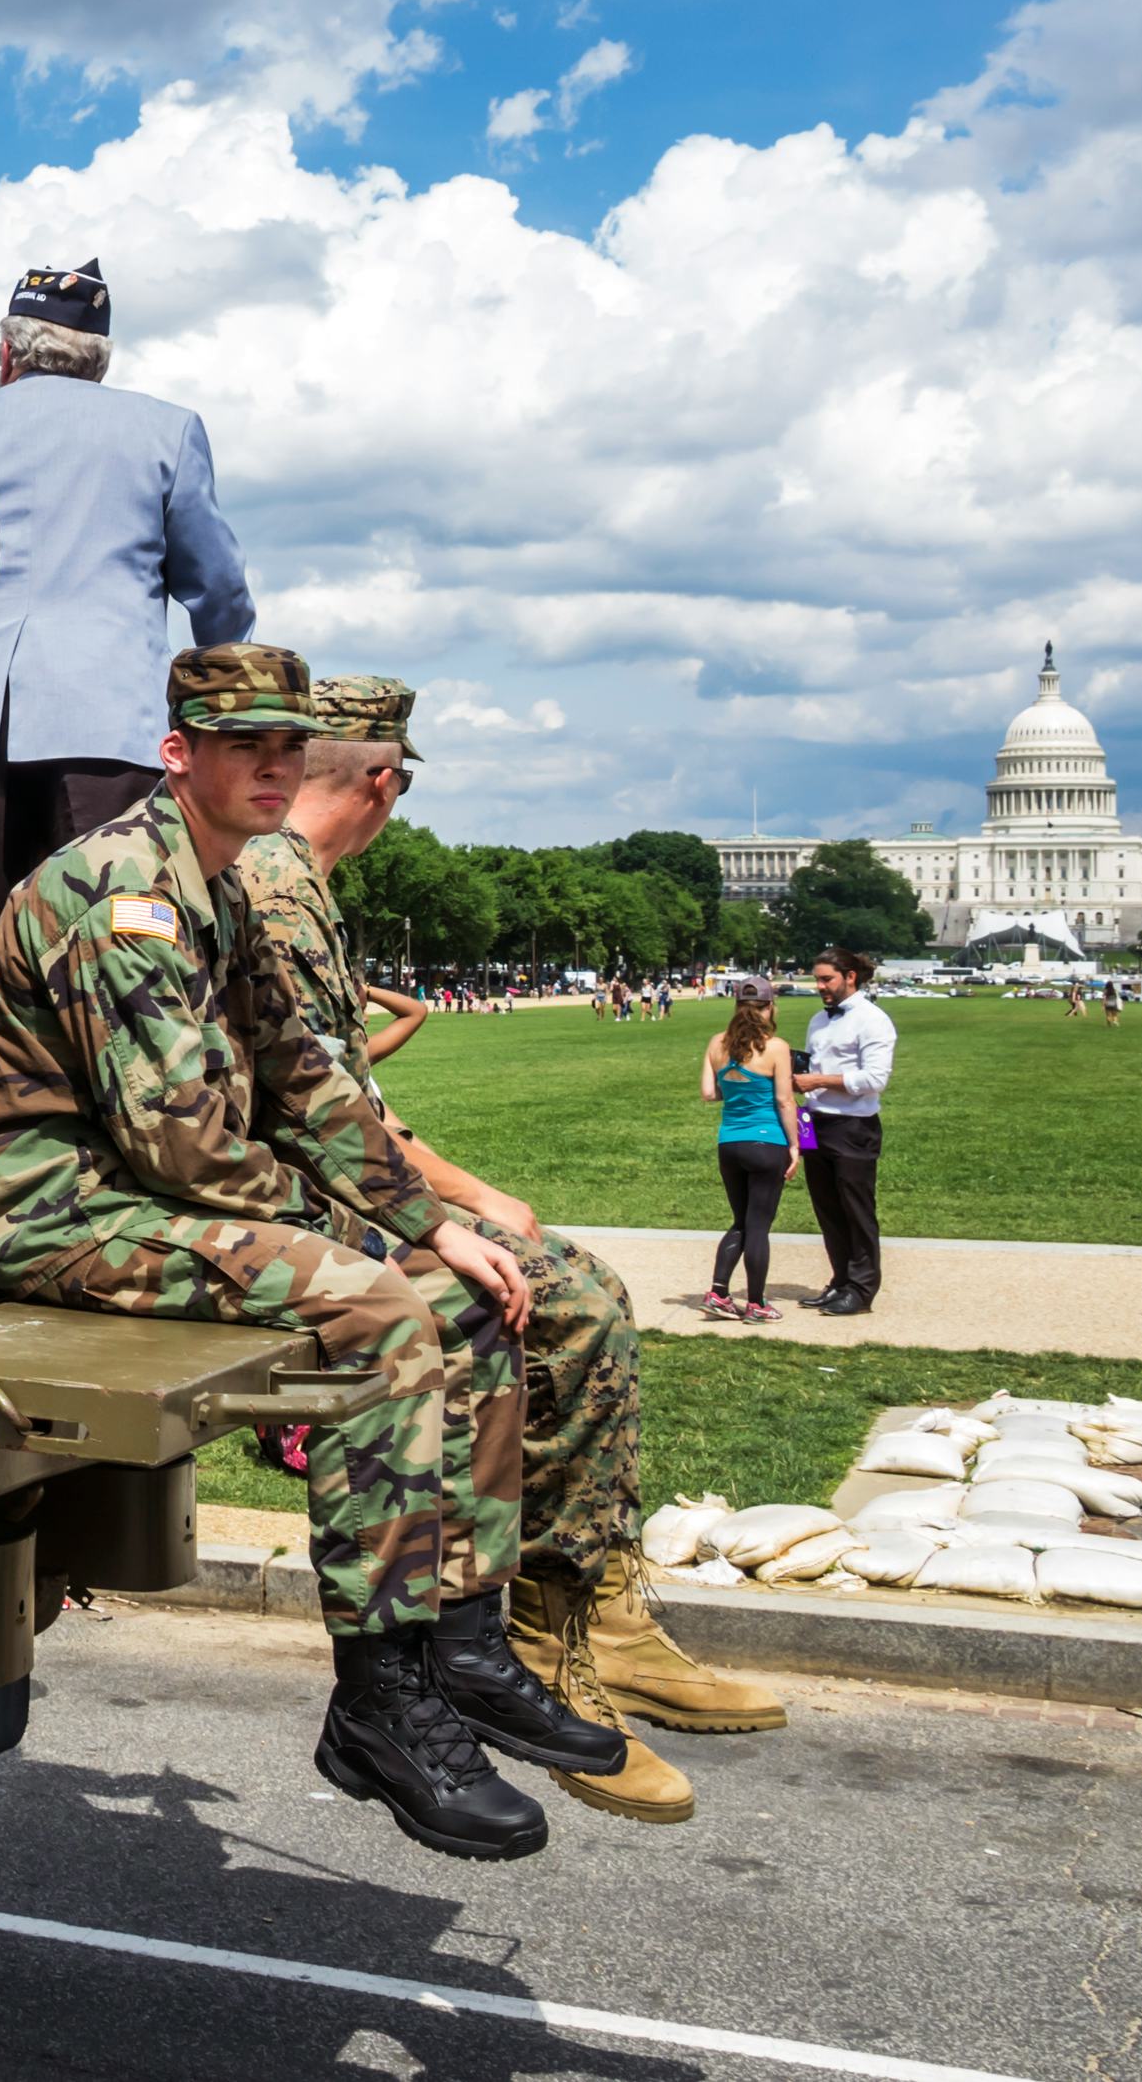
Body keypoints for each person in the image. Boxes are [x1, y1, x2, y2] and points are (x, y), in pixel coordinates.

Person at [0, 642, 626, 1860]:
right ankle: (375, 1695)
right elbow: (185, 1151)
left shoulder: (220, 883)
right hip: (65, 1213)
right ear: (179, 754)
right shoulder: (128, 894)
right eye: (239, 745)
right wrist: (368, 1242)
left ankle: (461, 1644)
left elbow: (311, 1081)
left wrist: (434, 1225)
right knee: (373, 1306)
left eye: (283, 746)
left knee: (465, 1296)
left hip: (159, 1203)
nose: (271, 767)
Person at [240, 674, 775, 1817]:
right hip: (298, 1208)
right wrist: (468, 1202)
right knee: (559, 1296)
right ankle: (539, 1623)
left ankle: (590, 1602)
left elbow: (346, 1096)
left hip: (323, 1187)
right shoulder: (278, 888)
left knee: (567, 1281)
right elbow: (318, 1103)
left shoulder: (291, 881)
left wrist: (460, 1197)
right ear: (384, 782)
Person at [0, 259, 253, 1100]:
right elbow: (219, 592)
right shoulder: (164, 430)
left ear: (5, 355)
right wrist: (210, 710)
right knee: (118, 952)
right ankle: (118, 1177)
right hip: (109, 729)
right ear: (99, 360)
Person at [697, 980, 803, 1322]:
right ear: (770, 1007)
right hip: (767, 1140)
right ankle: (756, 1302)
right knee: (759, 1225)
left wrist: (740, 1089)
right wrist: (796, 1144)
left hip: (730, 1142)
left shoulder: (717, 1043)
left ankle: (718, 1292)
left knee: (741, 1221)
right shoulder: (776, 1047)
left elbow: (709, 1093)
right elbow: (785, 1100)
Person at [799, 947, 897, 1314]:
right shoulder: (818, 1020)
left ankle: (862, 1288)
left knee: (856, 1209)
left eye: (827, 979)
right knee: (826, 1208)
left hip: (853, 1125)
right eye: (818, 979)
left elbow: (875, 1078)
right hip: (813, 1120)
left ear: (850, 977)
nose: (820, 986)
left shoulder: (873, 1020)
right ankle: (840, 1279)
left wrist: (819, 1080)